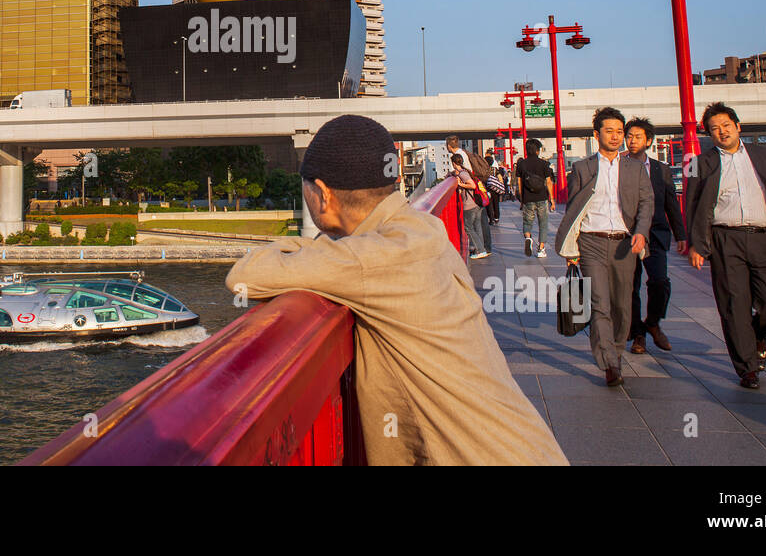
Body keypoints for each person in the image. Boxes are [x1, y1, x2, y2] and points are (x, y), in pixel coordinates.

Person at [226, 114, 567, 465]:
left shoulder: (375, 258)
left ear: (323, 195)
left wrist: (314, 247)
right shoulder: (425, 228)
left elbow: (245, 275)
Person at [684, 102, 766, 389]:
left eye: (726, 126)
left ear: (738, 126)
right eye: (714, 129)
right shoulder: (703, 162)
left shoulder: (763, 156)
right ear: (709, 135)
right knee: (734, 306)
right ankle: (747, 367)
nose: (721, 132)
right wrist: (697, 243)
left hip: (765, 238)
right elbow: (693, 205)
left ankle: (757, 334)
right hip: (726, 239)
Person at [554, 107, 653, 387]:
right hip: (592, 241)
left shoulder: (635, 168)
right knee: (599, 304)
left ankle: (617, 351)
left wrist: (642, 233)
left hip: (624, 243)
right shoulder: (583, 167)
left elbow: (647, 202)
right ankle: (609, 361)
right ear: (597, 135)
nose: (615, 136)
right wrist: (571, 251)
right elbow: (573, 210)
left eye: (619, 131)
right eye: (609, 131)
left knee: (622, 305)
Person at [624, 117, 688, 355]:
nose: (632, 141)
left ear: (648, 141)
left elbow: (671, 202)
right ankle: (638, 334)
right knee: (630, 286)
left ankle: (653, 321)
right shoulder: (618, 166)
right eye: (629, 136)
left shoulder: (661, 169)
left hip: (656, 234)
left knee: (659, 281)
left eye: (637, 137)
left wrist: (681, 234)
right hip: (627, 235)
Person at [447, 138, 491, 259]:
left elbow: (471, 185)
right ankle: (480, 249)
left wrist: (460, 184)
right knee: (477, 226)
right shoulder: (466, 170)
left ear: (454, 163)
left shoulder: (462, 174)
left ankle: (480, 250)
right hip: (476, 202)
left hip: (470, 204)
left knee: (468, 227)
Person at [515, 139, 555, 257]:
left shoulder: (522, 164)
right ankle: (541, 249)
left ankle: (528, 238)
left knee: (527, 222)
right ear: (538, 150)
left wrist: (522, 199)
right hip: (542, 197)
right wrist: (551, 199)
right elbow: (548, 182)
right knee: (543, 223)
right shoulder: (544, 164)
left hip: (528, 198)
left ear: (527, 150)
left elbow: (519, 183)